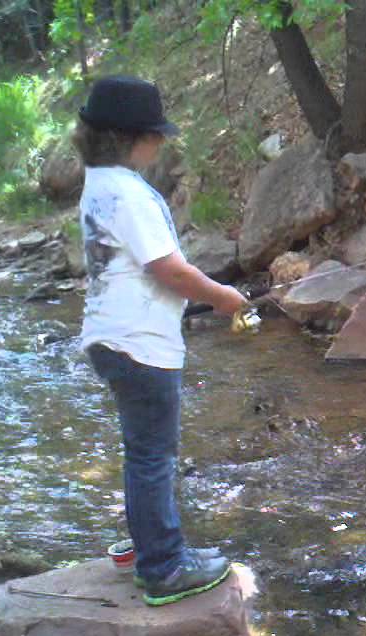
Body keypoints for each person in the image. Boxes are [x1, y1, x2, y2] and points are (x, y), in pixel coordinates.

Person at [73, 76, 248, 606]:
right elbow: (168, 270)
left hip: (111, 337)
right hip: (142, 344)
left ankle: (148, 546)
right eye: (157, 134)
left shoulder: (99, 182)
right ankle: (164, 567)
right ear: (131, 137)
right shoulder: (127, 193)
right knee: (153, 457)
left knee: (141, 453)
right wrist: (222, 297)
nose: (163, 143)